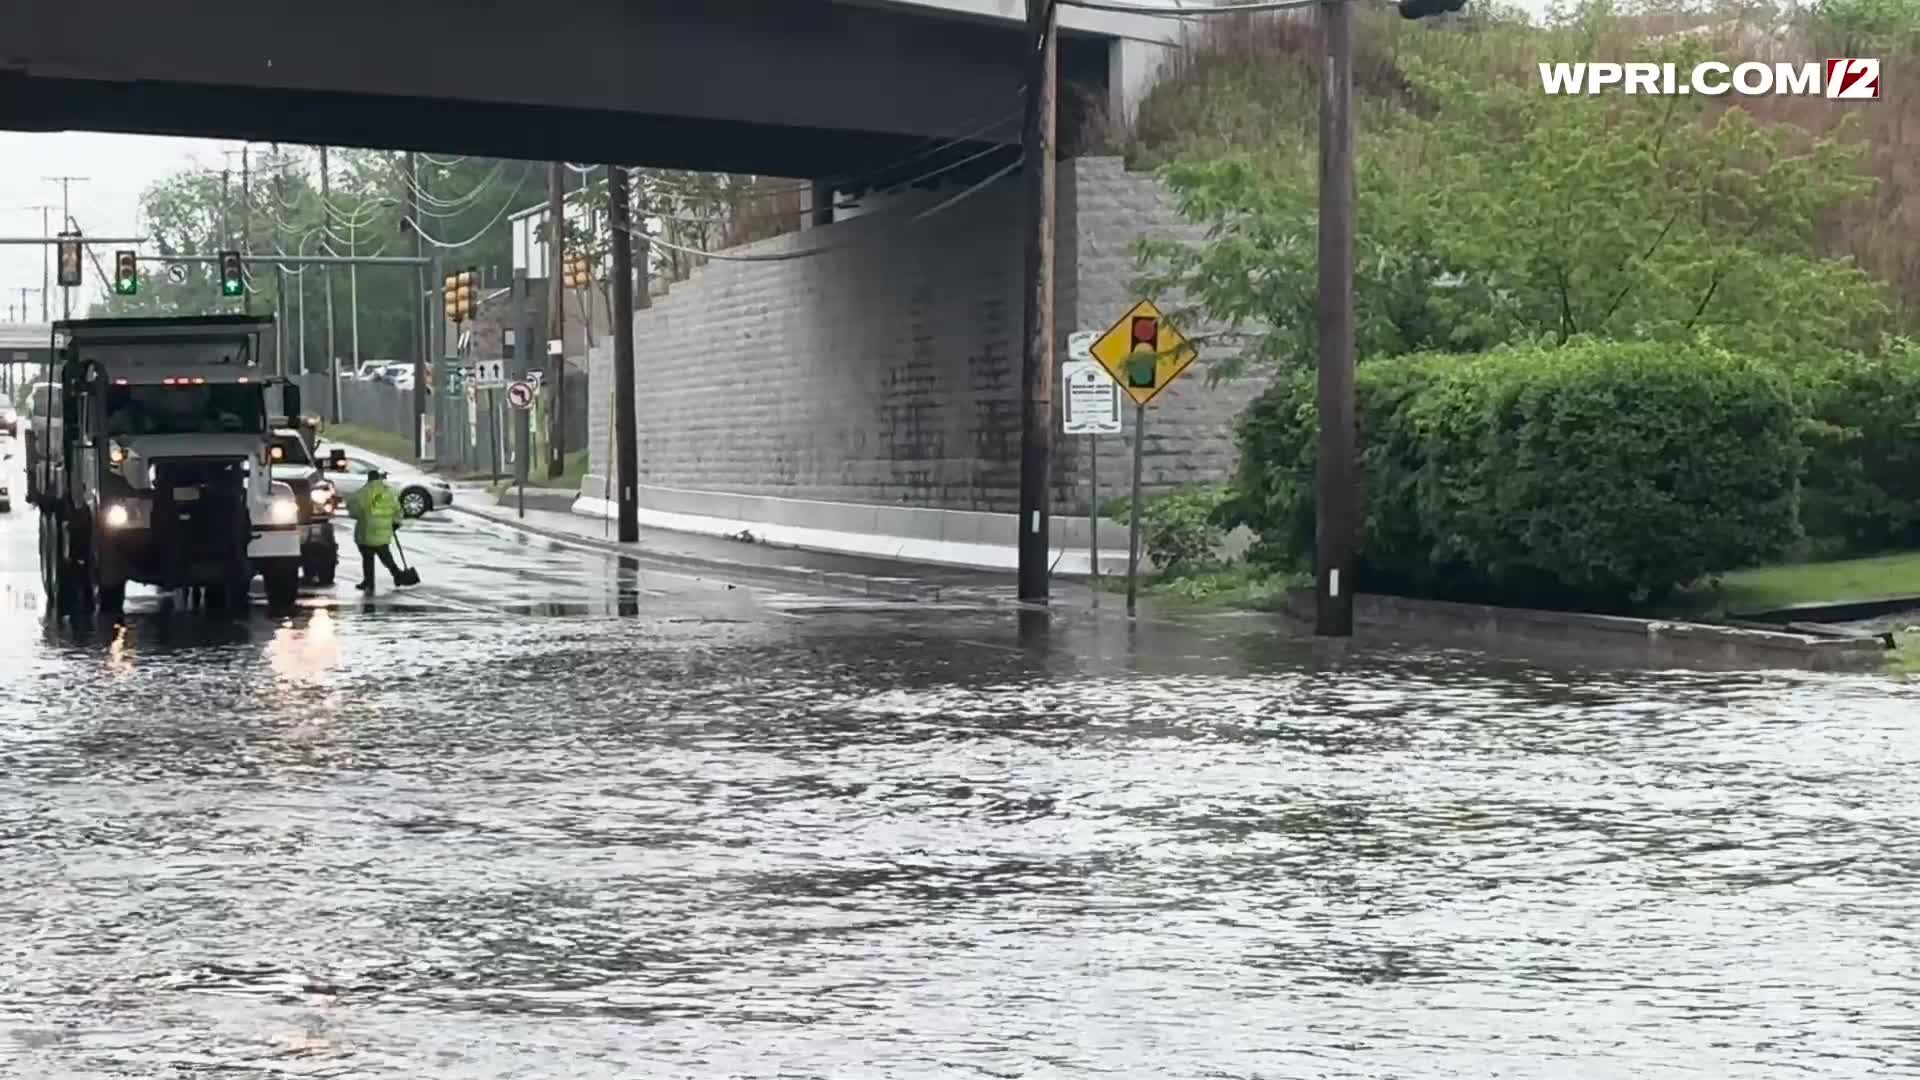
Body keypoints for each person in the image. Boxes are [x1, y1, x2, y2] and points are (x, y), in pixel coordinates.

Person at [345, 467, 408, 592]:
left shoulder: (363, 492)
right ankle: (398, 575)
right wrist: (396, 523)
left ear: (368, 479)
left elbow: (353, 510)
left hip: (366, 532)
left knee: (367, 558)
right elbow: (398, 510)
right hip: (383, 532)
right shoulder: (389, 492)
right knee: (386, 556)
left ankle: (368, 581)